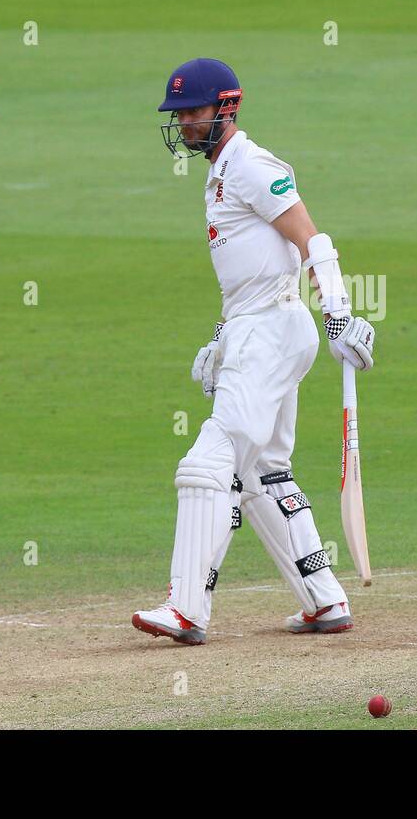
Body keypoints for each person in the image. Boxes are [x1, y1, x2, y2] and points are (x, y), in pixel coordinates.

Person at [132, 58, 376, 644]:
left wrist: (339, 314)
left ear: (226, 108)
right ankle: (324, 599)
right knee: (264, 472)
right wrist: (222, 337)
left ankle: (186, 608)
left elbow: (312, 238)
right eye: (179, 115)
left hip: (272, 331)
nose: (184, 123)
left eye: (192, 112)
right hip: (258, 327)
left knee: (205, 463)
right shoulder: (218, 174)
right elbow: (251, 270)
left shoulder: (250, 165)